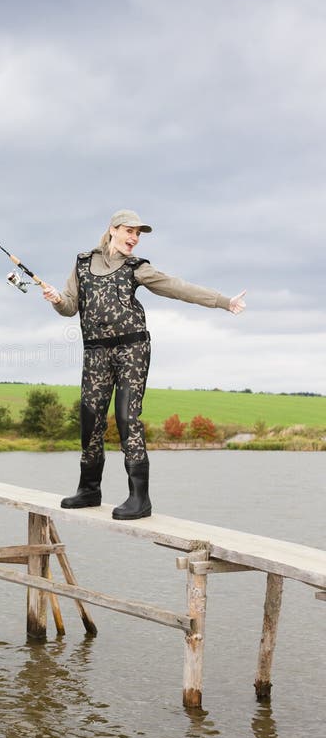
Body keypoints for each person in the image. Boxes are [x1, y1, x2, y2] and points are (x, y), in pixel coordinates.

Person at [43, 209, 246, 520]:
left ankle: (140, 499)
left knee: (126, 418)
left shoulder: (136, 268)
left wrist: (223, 301)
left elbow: (176, 286)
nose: (134, 238)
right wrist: (57, 300)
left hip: (132, 349)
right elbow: (70, 307)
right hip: (96, 352)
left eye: (138, 233)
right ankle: (89, 489)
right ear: (112, 230)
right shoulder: (82, 263)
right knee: (90, 420)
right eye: (129, 231)